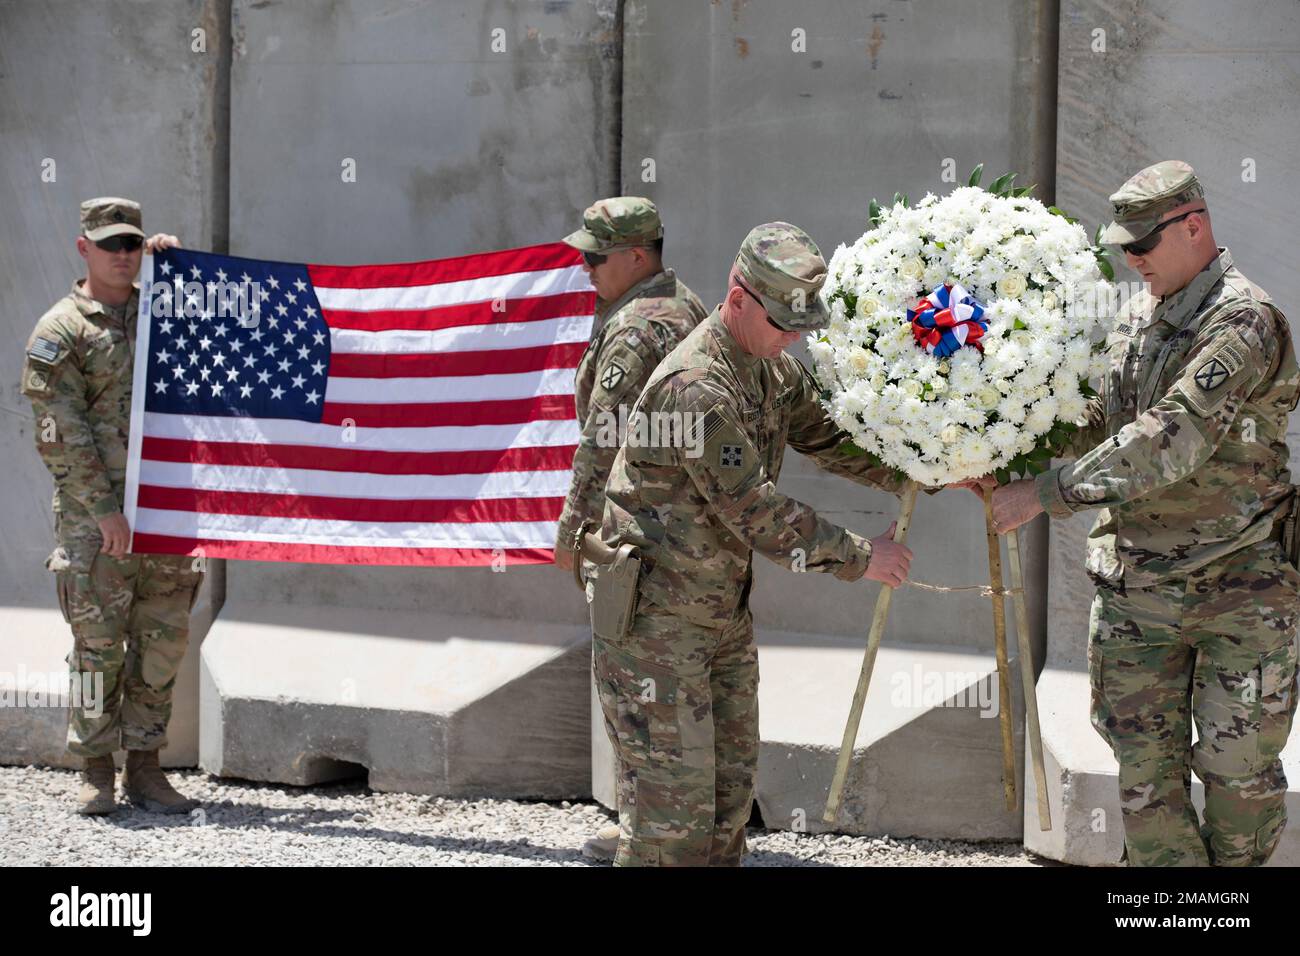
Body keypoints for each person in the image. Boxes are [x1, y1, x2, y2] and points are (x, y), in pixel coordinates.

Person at [991, 161, 1300, 866]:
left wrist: (1043, 495)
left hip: (1241, 589)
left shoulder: (1245, 321)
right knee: (1144, 778)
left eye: (1142, 246)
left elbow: (1173, 436)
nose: (1131, 262)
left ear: (1194, 227)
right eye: (1123, 249)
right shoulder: (1138, 314)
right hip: (1140, 591)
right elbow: (1105, 420)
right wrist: (1005, 453)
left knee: (1237, 777)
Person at [582, 222, 913, 866]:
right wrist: (861, 557)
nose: (793, 338)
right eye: (783, 322)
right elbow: (756, 512)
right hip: (656, 623)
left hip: (718, 613)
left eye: (800, 325)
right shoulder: (695, 388)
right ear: (737, 298)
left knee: (727, 805)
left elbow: (828, 436)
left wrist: (926, 467)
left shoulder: (767, 367)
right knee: (670, 827)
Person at [21, 197, 203, 815]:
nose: (123, 256)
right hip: (96, 523)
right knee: (98, 647)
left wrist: (178, 270)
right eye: (110, 245)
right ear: (84, 249)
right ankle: (96, 769)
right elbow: (59, 431)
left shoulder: (164, 307)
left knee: (162, 642)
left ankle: (147, 769)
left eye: (132, 244)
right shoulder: (62, 329)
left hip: (167, 513)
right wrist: (103, 511)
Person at [553, 197, 706, 860]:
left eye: (596, 256)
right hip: (691, 531)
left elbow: (603, 432)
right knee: (680, 685)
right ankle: (676, 825)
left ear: (637, 256)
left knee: (631, 686)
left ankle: (651, 834)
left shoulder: (640, 326)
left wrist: (573, 522)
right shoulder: (688, 307)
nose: (585, 268)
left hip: (638, 534)